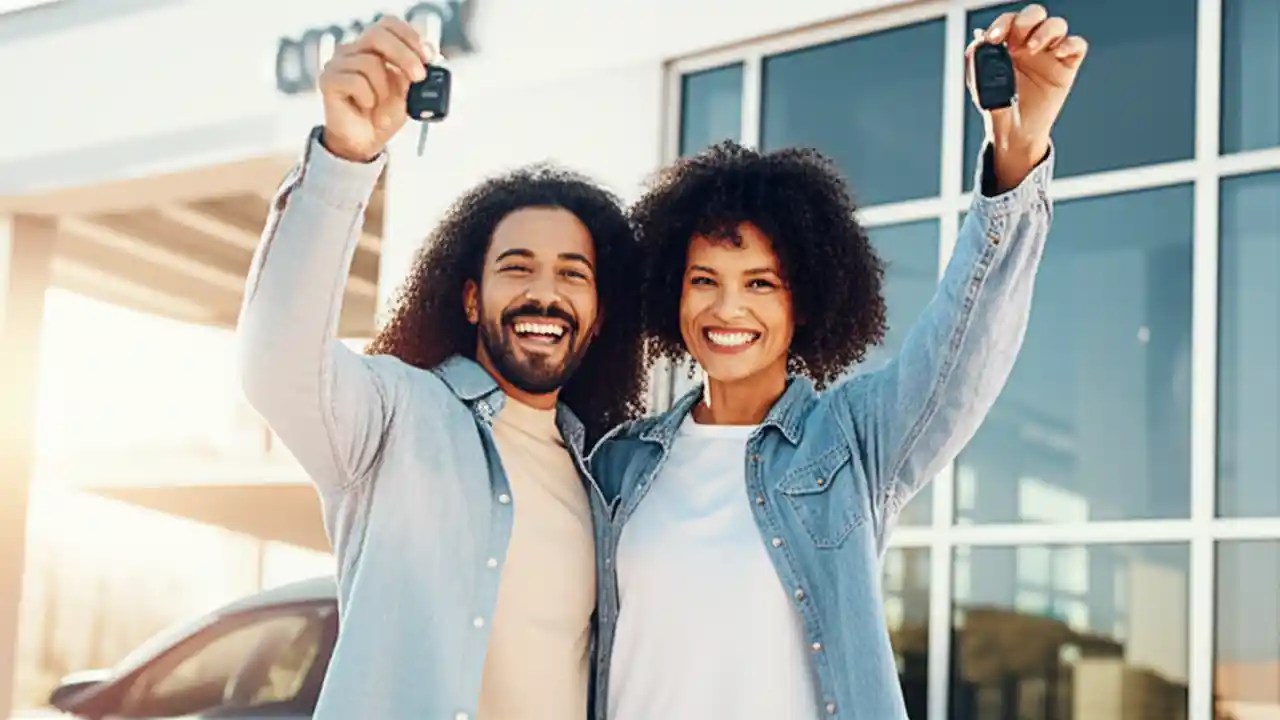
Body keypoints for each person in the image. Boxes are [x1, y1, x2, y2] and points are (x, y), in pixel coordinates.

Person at [587, 5, 1087, 719]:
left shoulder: (849, 442)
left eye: (761, 284)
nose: (728, 310)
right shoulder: (619, 465)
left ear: (806, 303)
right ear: (671, 291)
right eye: (705, 281)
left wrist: (1016, 153)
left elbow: (964, 343)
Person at [235, 15, 648, 720]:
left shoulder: (605, 481)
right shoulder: (396, 417)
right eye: (517, 267)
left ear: (599, 312)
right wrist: (343, 158)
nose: (545, 293)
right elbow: (277, 368)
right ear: (469, 296)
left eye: (572, 274)